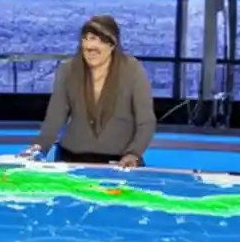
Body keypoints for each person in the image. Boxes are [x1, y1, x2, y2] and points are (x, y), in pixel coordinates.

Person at [21, 16, 157, 166]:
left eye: (96, 39)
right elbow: (55, 117)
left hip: (120, 162)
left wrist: (134, 153)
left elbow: (146, 121)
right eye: (85, 39)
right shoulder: (68, 70)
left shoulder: (132, 70)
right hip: (71, 159)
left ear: (112, 44)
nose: (90, 47)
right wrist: (38, 148)